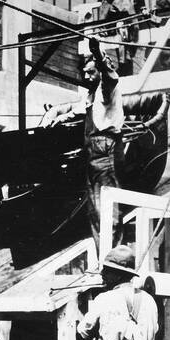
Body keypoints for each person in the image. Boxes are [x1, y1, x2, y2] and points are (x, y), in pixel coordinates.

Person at [45, 37, 124, 240]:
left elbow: (109, 74)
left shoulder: (107, 89)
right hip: (92, 153)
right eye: (85, 73)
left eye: (91, 72)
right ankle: (103, 261)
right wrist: (58, 117)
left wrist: (98, 54)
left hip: (105, 150)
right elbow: (77, 111)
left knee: (108, 208)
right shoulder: (91, 96)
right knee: (95, 212)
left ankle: (113, 261)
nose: (87, 77)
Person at [100, 0, 142, 73]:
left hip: (129, 14)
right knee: (119, 42)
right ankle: (123, 66)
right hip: (116, 16)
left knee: (127, 43)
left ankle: (127, 67)